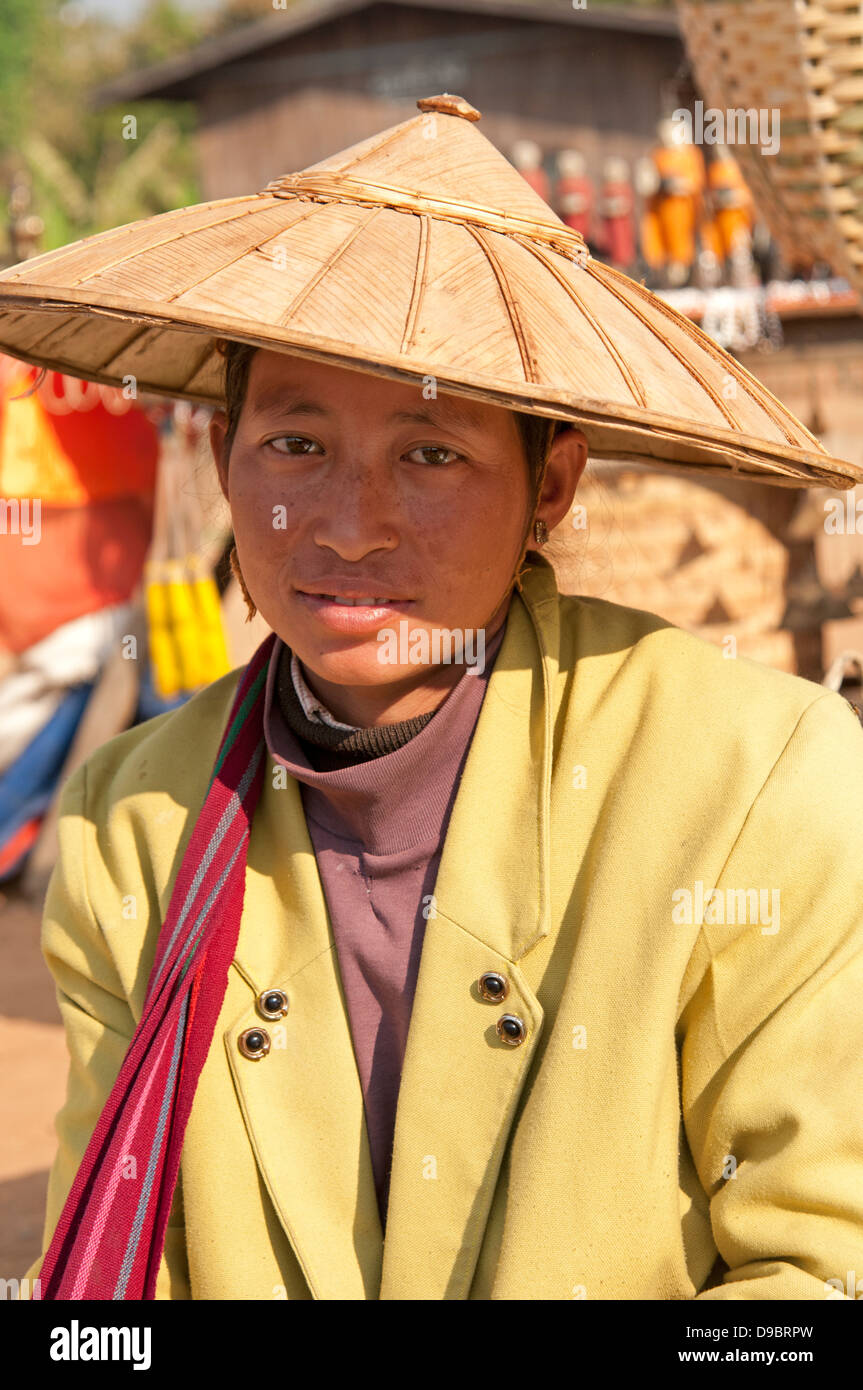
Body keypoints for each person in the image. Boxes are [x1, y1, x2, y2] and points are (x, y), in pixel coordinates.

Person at [7, 95, 863, 1301]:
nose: (350, 527)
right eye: (295, 447)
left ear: (549, 484)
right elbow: (110, 1285)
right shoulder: (131, 826)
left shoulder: (753, 780)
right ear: (219, 458)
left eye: (430, 453)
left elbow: (819, 1273)